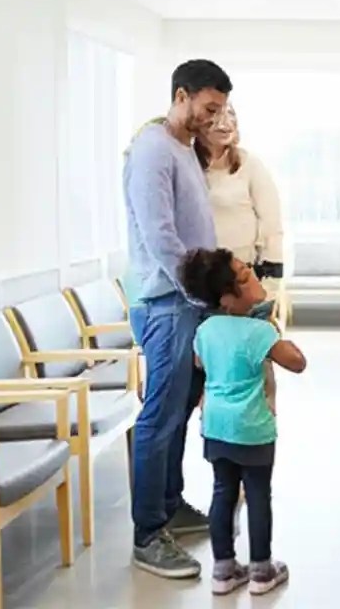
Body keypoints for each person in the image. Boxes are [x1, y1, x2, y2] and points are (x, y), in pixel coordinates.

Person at [123, 59, 230, 579]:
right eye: (208, 108)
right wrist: (197, 291)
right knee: (159, 417)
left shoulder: (184, 149)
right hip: (166, 303)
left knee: (180, 410)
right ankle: (147, 535)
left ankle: (169, 505)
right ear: (181, 96)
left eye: (221, 111)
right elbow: (161, 237)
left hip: (188, 302)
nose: (214, 119)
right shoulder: (152, 150)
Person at [178, 247, 306, 596]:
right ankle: (262, 571)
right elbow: (297, 363)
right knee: (259, 495)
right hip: (253, 428)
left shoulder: (205, 329)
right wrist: (274, 334)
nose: (253, 275)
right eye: (245, 277)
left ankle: (223, 570)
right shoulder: (259, 331)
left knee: (223, 492)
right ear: (227, 299)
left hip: (216, 426)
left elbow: (200, 363)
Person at [195, 103, 286, 325]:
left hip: (244, 282)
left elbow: (272, 225)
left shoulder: (249, 164)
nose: (225, 122)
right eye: (216, 114)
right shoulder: (186, 165)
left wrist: (270, 285)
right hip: (205, 285)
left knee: (253, 343)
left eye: (231, 114)